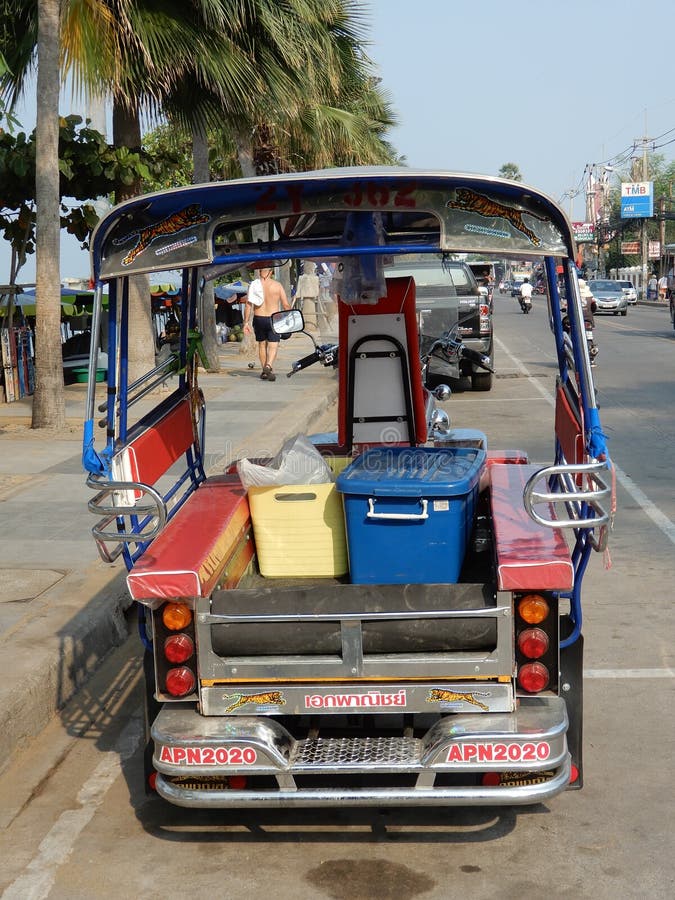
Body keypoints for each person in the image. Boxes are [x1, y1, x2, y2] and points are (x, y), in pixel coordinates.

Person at [243, 265, 291, 381]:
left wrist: (245, 323)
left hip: (259, 318)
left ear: (260, 272)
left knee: (262, 344)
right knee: (273, 345)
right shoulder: (277, 286)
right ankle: (268, 366)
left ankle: (264, 371)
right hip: (274, 318)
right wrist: (289, 318)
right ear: (271, 272)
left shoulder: (254, 285)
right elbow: (285, 305)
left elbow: (248, 305)